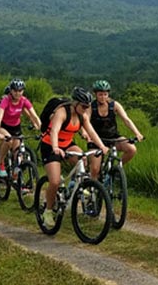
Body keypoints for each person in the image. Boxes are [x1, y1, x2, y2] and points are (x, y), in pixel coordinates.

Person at [39, 86, 107, 228]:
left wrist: (101, 146)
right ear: (75, 103)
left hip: (67, 144)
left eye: (88, 106)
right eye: (83, 106)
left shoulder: (83, 116)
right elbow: (55, 131)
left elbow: (92, 132)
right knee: (55, 181)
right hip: (50, 145)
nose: (86, 108)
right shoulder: (62, 112)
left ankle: (75, 186)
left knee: (82, 158)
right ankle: (48, 211)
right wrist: (55, 147)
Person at [87, 79, 144, 180]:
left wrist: (137, 133)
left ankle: (115, 169)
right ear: (95, 94)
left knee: (131, 149)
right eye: (100, 94)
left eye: (105, 94)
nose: (103, 97)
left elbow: (126, 120)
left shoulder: (114, 105)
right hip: (96, 139)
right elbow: (85, 122)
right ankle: (92, 191)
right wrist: (86, 134)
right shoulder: (91, 106)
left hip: (113, 137)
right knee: (95, 170)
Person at [0, 79, 40, 178]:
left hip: (16, 127)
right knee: (8, 141)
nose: (17, 93)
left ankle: (16, 177)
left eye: (20, 91)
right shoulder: (5, 100)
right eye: (15, 91)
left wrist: (41, 128)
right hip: (3, 126)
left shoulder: (24, 101)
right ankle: (0, 163)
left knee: (18, 152)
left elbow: (34, 115)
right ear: (11, 90)